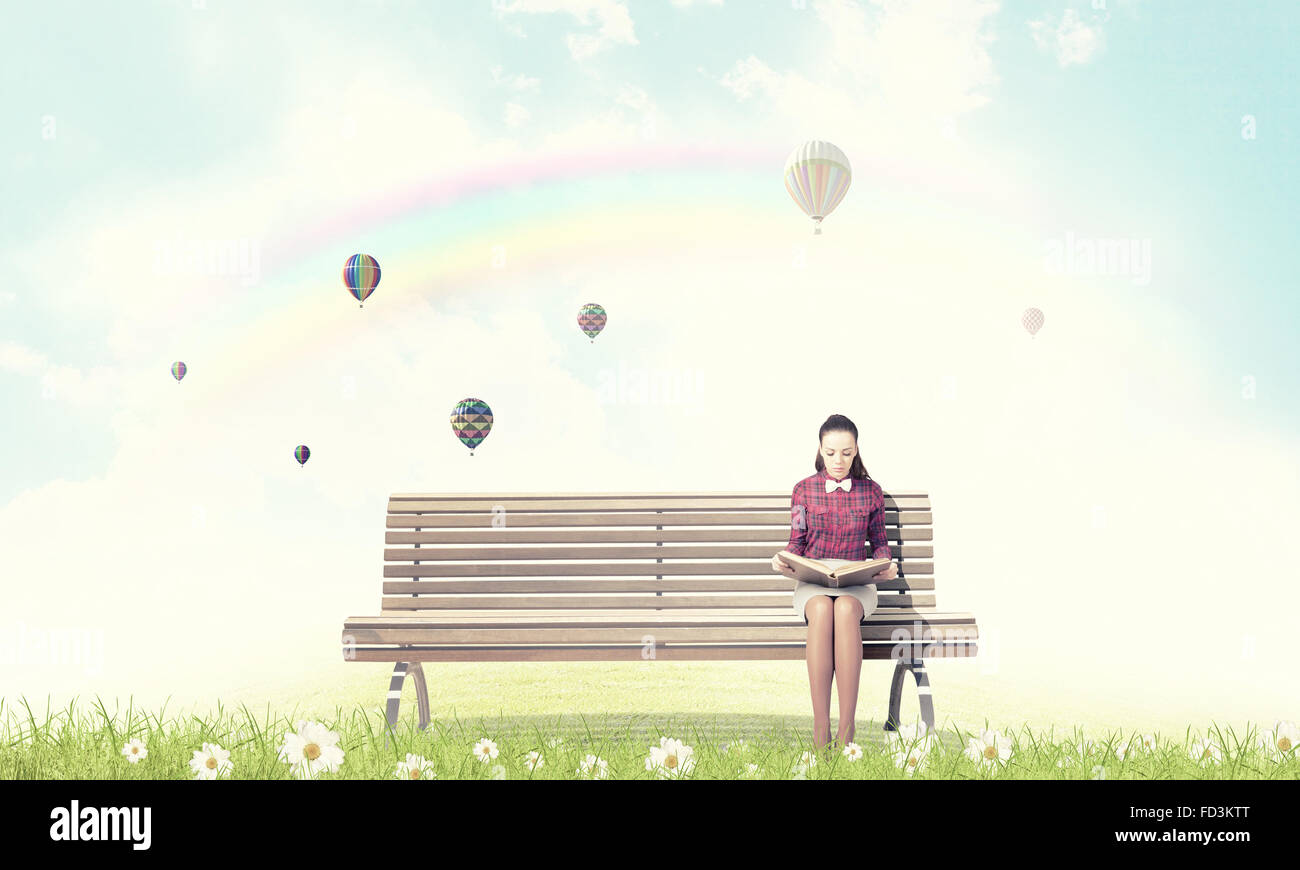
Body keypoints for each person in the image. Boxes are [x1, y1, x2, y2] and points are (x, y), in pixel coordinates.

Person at [771, 414, 898, 752]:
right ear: (820, 450)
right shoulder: (803, 490)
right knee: (821, 610)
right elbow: (796, 541)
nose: (838, 461)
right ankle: (820, 725)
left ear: (856, 451)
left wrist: (887, 565)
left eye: (846, 452)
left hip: (855, 581)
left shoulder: (871, 492)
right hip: (814, 579)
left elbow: (880, 542)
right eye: (831, 453)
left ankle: (847, 727)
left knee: (843, 610)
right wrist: (785, 560)